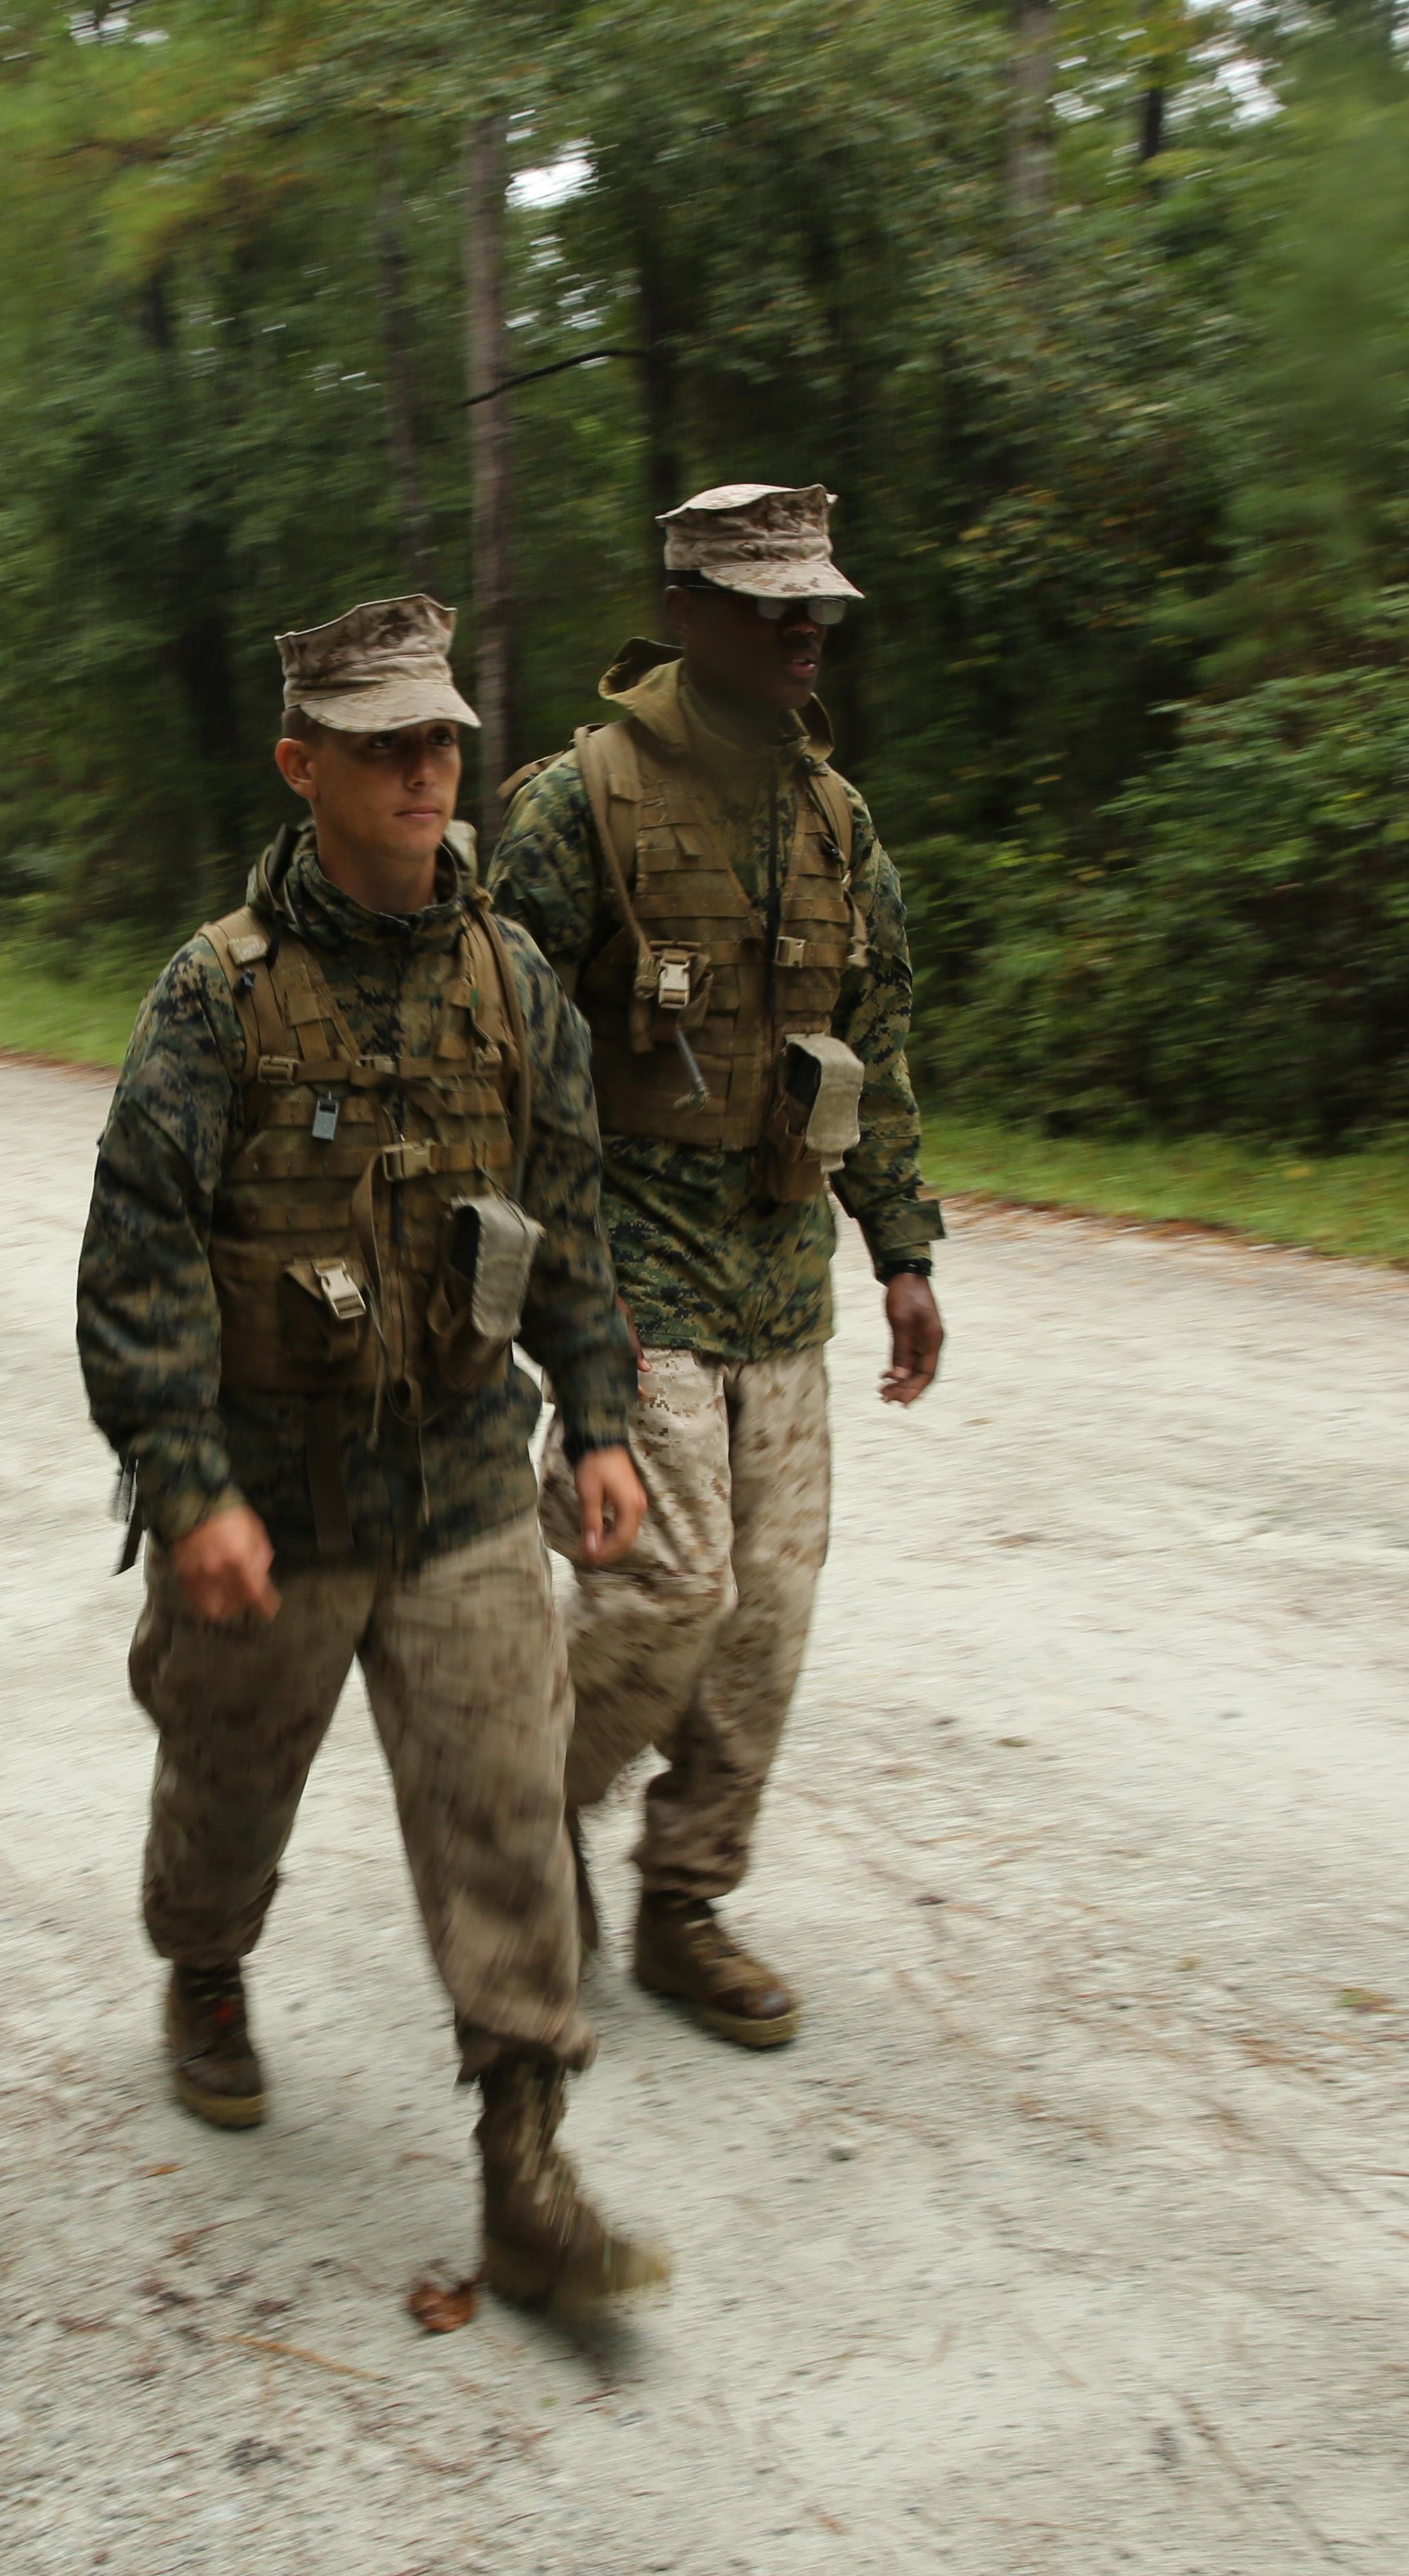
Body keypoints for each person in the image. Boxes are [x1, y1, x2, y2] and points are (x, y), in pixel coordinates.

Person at [77, 596, 667, 2318]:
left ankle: (523, 2160)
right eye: (381, 741)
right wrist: (185, 1489)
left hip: (469, 1481)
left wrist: (603, 1420)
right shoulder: (214, 998)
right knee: (226, 1785)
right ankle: (201, 1961)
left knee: (499, 1796)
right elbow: (137, 1258)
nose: (425, 766)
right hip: (272, 1499)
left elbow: (568, 1214)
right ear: (299, 765)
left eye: (441, 737)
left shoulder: (512, 979)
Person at [493, 483, 949, 2055]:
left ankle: (682, 1896)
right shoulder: (576, 804)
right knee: (659, 1595)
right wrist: (554, 1286)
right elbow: (497, 1054)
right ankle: (514, 1815)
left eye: (814, 612)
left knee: (762, 1618)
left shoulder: (835, 822)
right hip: (631, 1272)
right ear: (686, 611)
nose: (803, 638)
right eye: (771, 611)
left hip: (779, 1278)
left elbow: (870, 1052)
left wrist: (900, 1247)